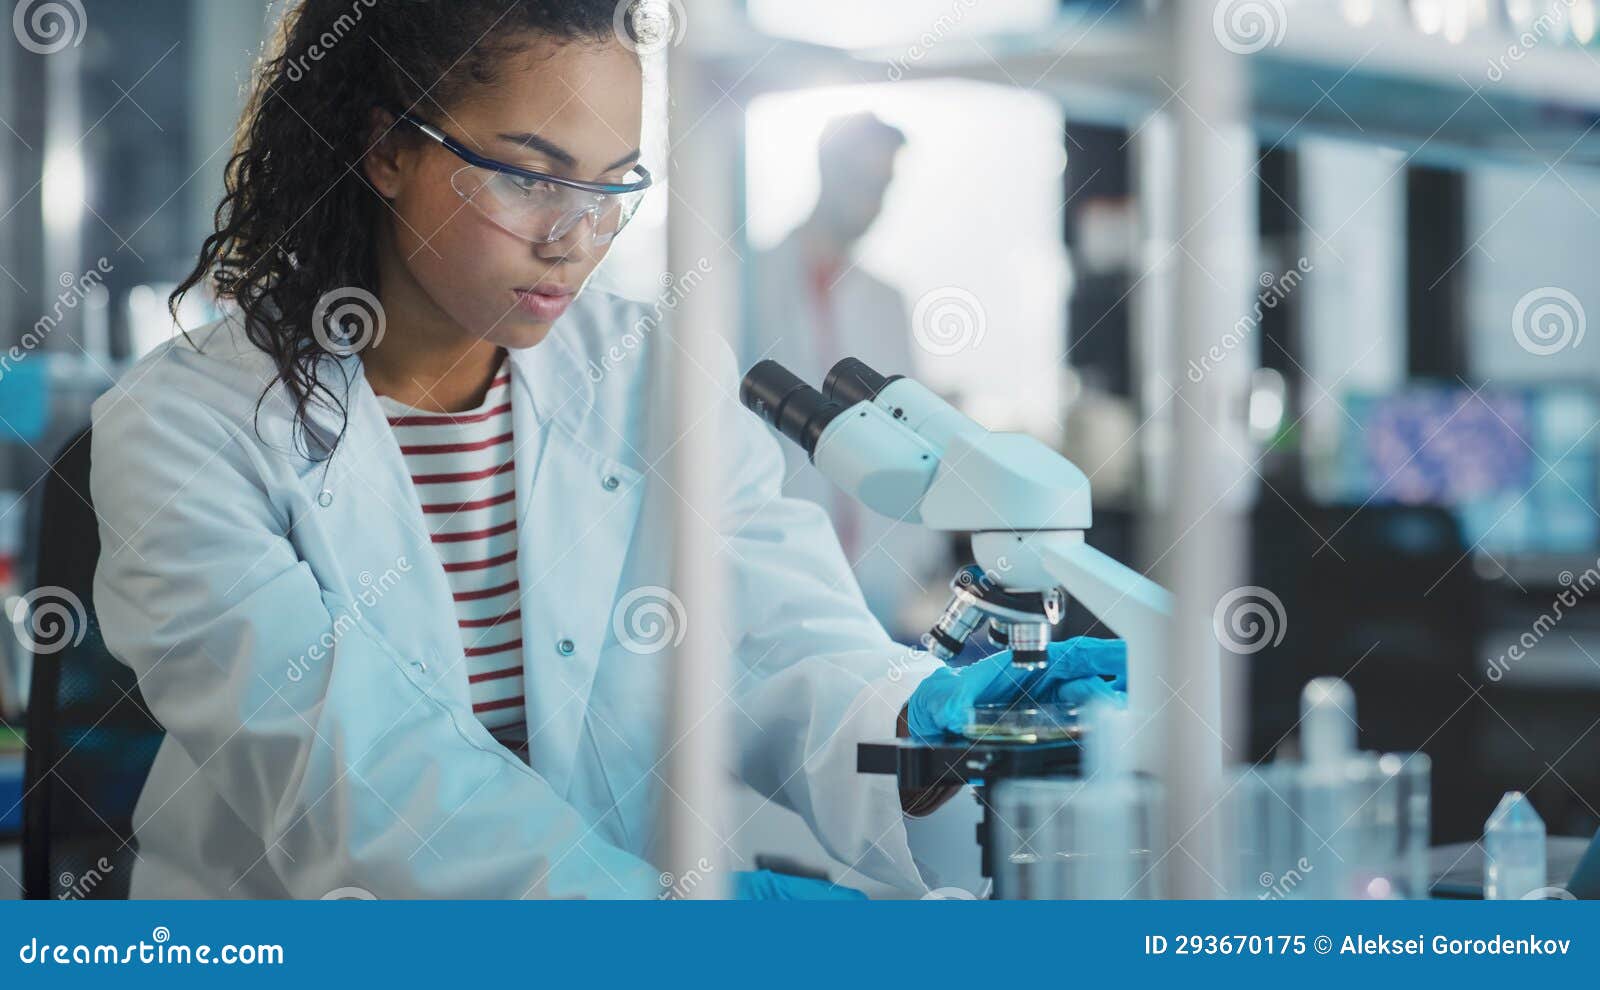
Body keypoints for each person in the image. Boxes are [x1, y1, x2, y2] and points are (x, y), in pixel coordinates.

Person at [89, 0, 1123, 900]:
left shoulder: (648, 367)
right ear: (387, 148)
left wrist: (923, 726)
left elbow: (775, 639)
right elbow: (355, 782)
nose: (576, 234)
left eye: (614, 185)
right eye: (529, 178)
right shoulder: (184, 430)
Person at [747, 113, 945, 637]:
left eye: (882, 185)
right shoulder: (745, 281)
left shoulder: (886, 300)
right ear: (824, 168)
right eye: (860, 179)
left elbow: (914, 434)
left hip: (876, 576)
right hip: (773, 564)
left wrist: (918, 561)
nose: (871, 199)